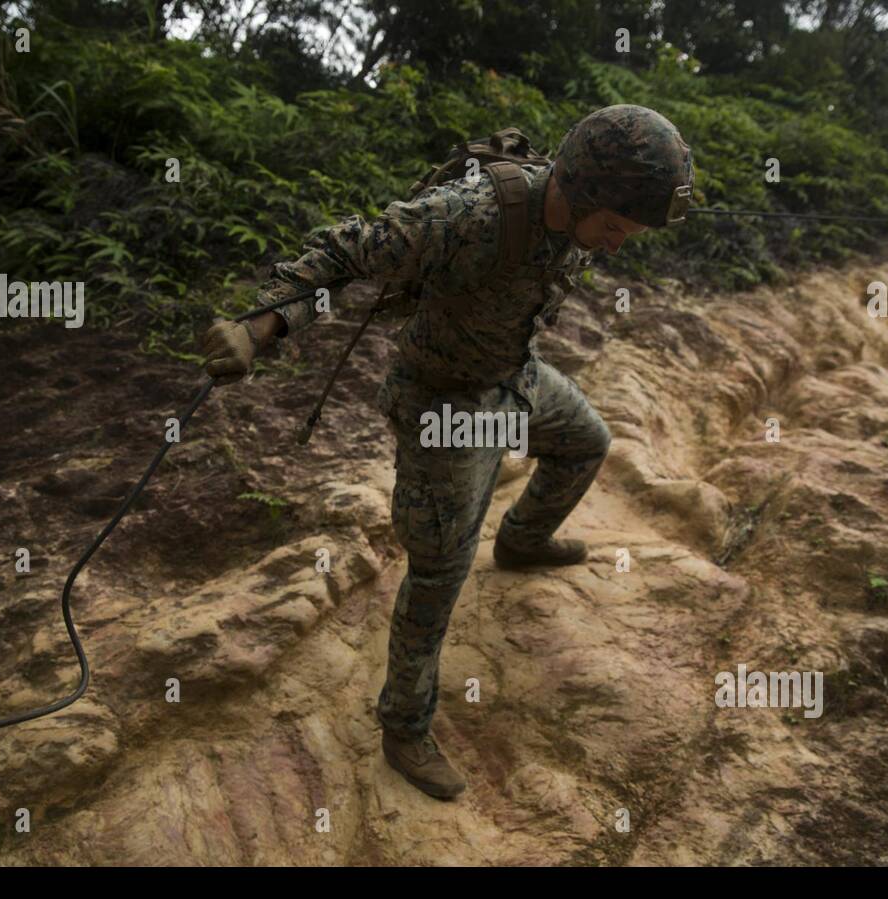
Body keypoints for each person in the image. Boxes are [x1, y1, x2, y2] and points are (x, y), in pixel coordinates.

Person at [201, 104, 694, 799]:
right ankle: (404, 724)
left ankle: (522, 540)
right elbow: (346, 253)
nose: (613, 246)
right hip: (445, 404)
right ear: (579, 191)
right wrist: (261, 328)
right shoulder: (471, 215)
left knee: (587, 442)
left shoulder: (581, 206)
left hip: (511, 380)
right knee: (440, 568)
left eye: (627, 234)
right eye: (613, 229)